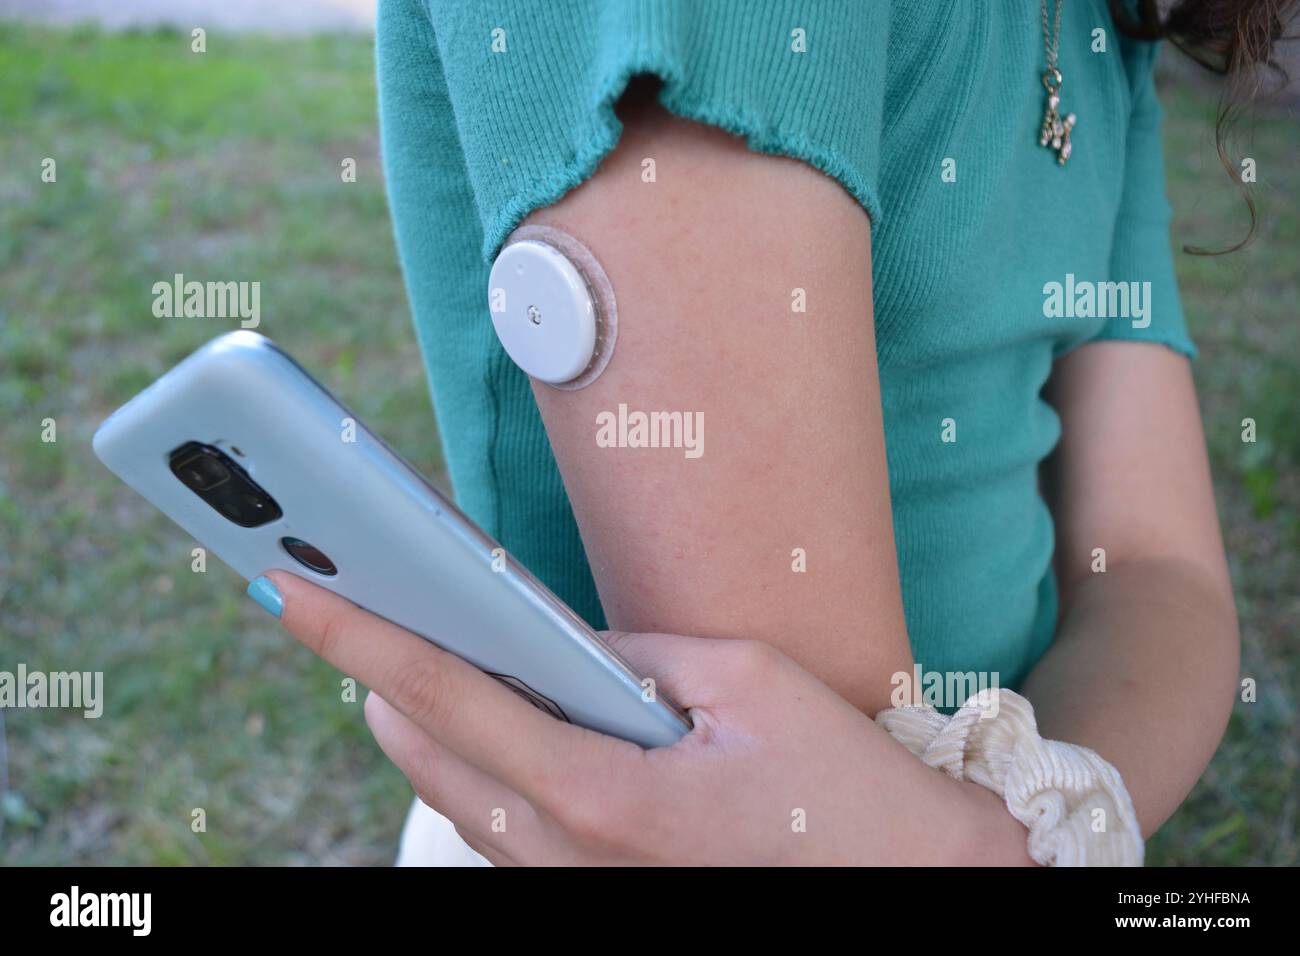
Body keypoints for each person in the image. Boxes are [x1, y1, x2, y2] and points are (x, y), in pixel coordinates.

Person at [244, 0, 1291, 864]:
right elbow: (784, 790)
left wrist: (1025, 830)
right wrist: (1035, 830)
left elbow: (1161, 571)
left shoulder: (1111, 24)